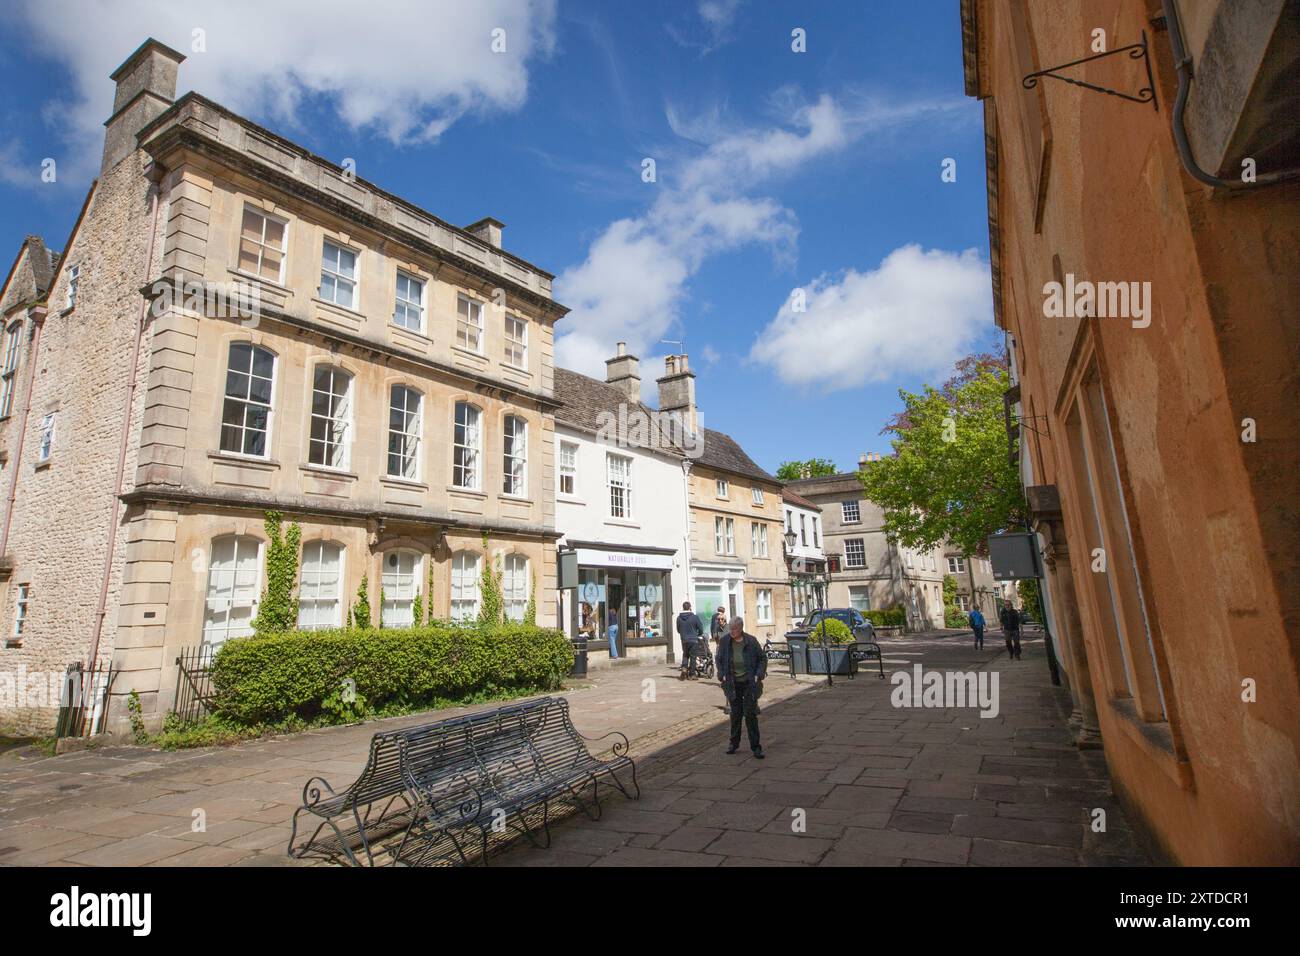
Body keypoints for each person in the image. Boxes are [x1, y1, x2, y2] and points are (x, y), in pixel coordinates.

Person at [715, 616, 766, 759]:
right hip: (732, 683)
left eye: (734, 629)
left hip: (749, 682)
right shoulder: (725, 642)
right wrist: (721, 673)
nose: (731, 631)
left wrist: (759, 674)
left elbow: (762, 658)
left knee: (750, 714)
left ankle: (756, 747)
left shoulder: (751, 641)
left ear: (741, 628)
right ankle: (733, 743)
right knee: (735, 714)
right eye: (730, 628)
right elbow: (719, 659)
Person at [675, 601, 705, 680]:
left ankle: (684, 669)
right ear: (690, 607)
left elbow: (678, 630)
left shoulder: (679, 618)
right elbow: (701, 628)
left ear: (683, 608)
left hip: (684, 639)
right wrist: (699, 634)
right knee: (693, 656)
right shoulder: (695, 617)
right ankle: (692, 674)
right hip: (693, 640)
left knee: (685, 655)